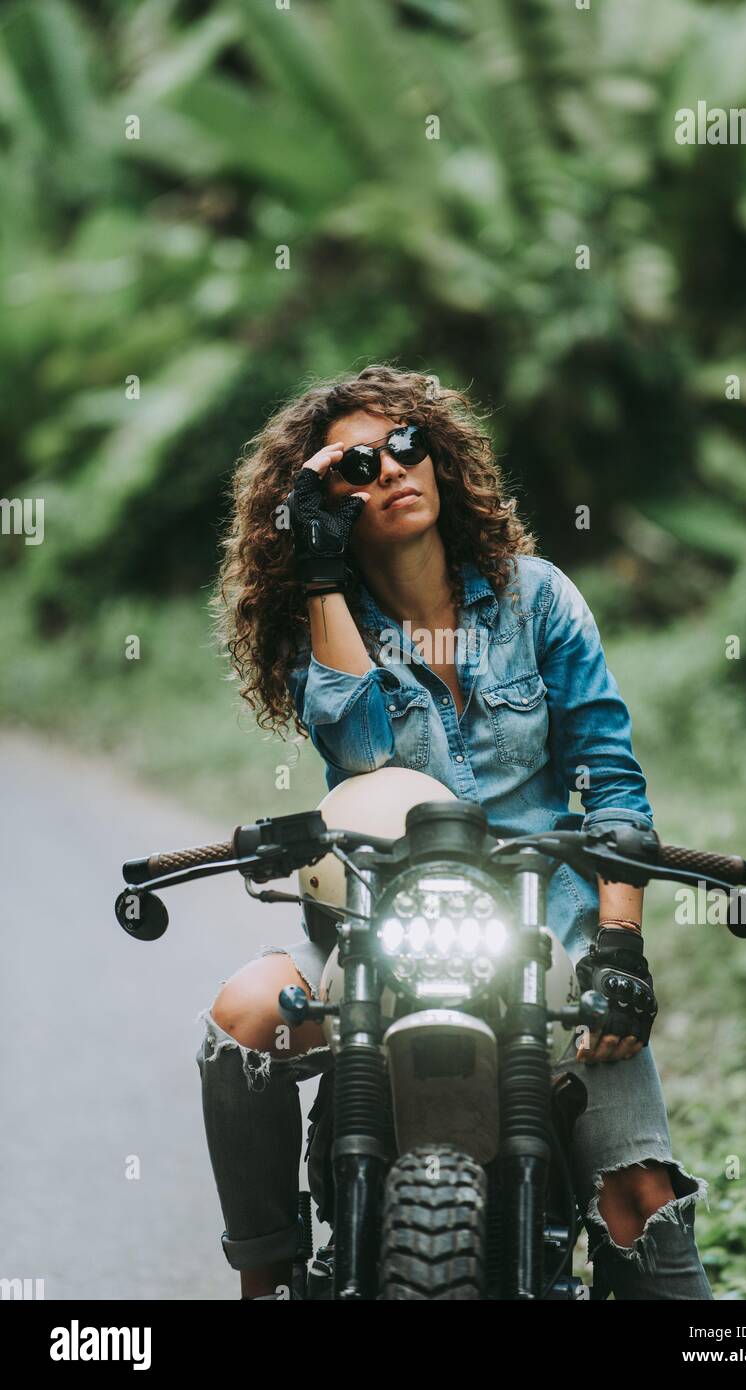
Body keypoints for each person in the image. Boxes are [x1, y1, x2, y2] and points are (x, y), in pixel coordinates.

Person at [198, 363, 712, 1300]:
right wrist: (319, 571)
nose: (389, 471)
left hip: (540, 932)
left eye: (405, 445)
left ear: (438, 456)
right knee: (242, 1020)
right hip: (381, 932)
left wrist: (620, 945)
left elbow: (610, 780)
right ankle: (265, 1282)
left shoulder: (538, 599)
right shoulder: (328, 622)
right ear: (319, 499)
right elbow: (361, 748)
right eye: (350, 468)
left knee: (640, 1192)